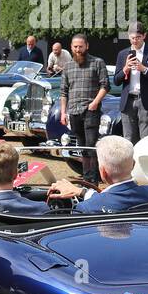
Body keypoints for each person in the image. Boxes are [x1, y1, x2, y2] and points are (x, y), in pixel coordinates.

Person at [49, 135, 148, 214]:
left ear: (103, 172)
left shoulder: (87, 208)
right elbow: (113, 198)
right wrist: (83, 192)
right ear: (133, 164)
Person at [59, 33, 109, 182]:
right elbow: (63, 91)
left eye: (81, 46)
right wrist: (63, 112)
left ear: (87, 46)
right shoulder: (68, 67)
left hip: (91, 111)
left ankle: (92, 180)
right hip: (74, 111)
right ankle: (86, 177)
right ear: (71, 48)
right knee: (81, 146)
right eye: (75, 47)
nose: (78, 49)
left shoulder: (97, 62)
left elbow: (105, 86)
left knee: (91, 145)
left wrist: (95, 103)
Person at [114, 21, 148, 142]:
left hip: (145, 100)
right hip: (128, 100)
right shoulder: (122, 54)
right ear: (128, 36)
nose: (135, 41)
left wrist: (144, 69)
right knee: (128, 137)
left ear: (144, 36)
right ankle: (129, 161)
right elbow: (116, 81)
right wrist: (125, 69)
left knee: (146, 137)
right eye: (132, 38)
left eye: (138, 37)